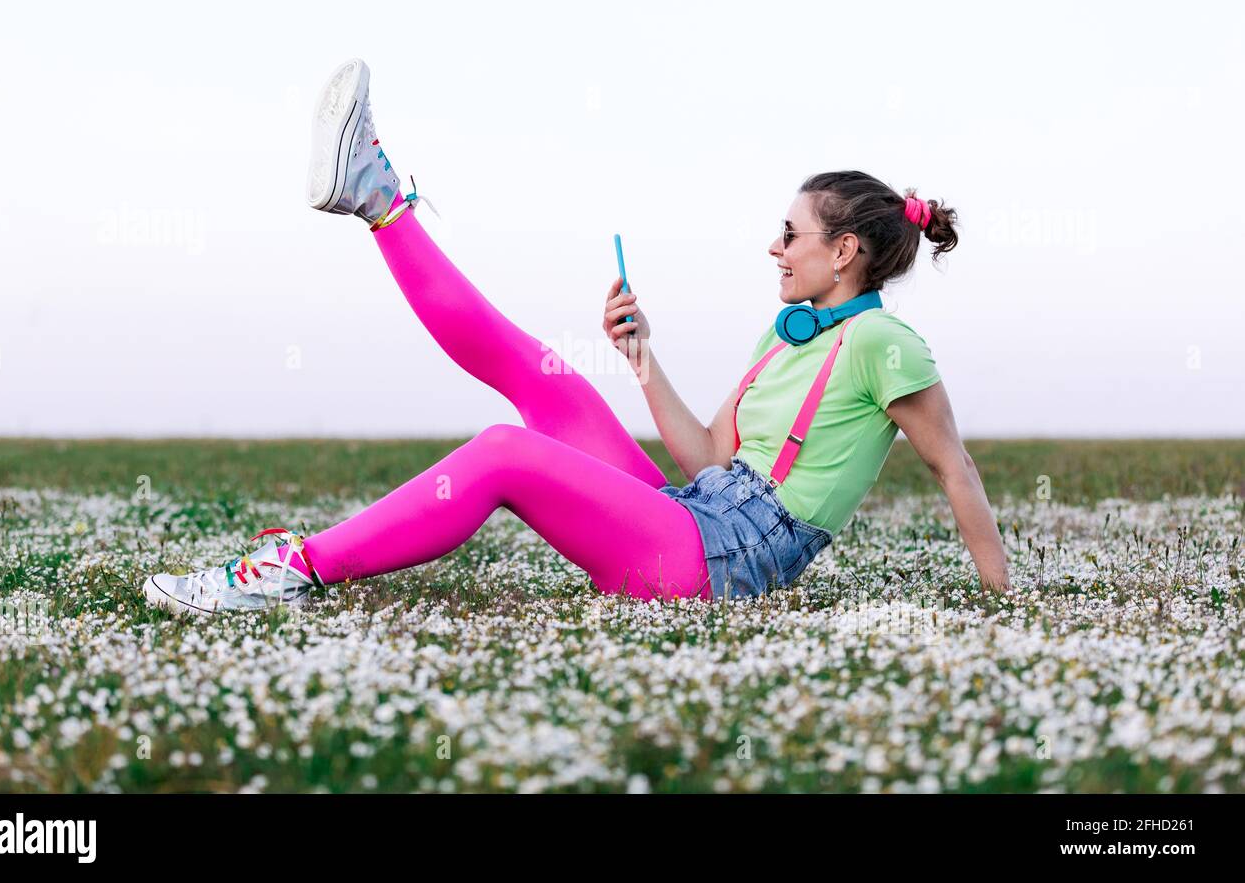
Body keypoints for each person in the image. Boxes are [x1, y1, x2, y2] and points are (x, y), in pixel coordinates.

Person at [142, 58, 1009, 617]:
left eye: (791, 236)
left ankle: (291, 571)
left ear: (844, 251)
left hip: (717, 565)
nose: (774, 249)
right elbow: (709, 455)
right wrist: (641, 358)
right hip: (696, 518)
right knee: (546, 377)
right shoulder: (789, 335)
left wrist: (1004, 604)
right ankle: (376, 198)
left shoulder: (886, 346)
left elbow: (953, 468)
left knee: (503, 454)